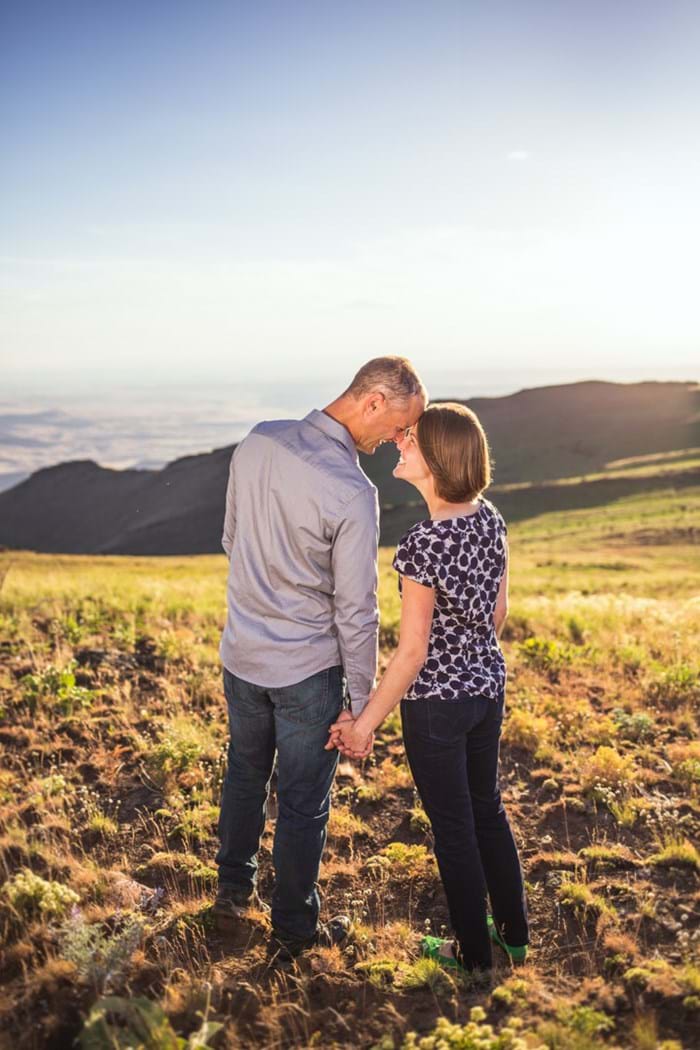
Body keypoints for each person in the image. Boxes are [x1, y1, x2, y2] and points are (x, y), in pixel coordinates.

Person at [214, 357, 427, 960]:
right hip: (308, 673)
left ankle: (232, 894)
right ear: (374, 403)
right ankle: (294, 928)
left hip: (242, 655)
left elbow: (232, 540)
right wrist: (363, 705)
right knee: (304, 801)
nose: (394, 444)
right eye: (395, 428)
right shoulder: (352, 491)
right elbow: (356, 611)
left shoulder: (258, 440)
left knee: (244, 775)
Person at [328, 402, 529, 971]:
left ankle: (471, 957)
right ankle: (514, 937)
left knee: (455, 831)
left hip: (436, 709)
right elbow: (499, 611)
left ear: (437, 460)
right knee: (487, 809)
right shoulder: (491, 518)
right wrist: (468, 658)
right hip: (487, 689)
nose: (399, 443)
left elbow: (412, 652)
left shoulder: (422, 543)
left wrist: (363, 724)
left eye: (410, 440)